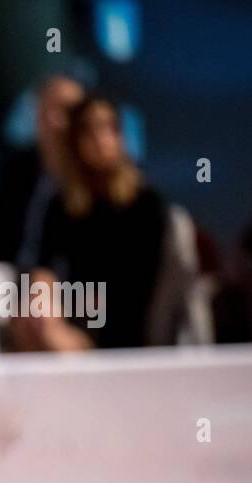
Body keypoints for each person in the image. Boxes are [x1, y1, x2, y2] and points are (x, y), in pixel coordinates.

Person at [36, 94, 182, 349]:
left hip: (135, 331)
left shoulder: (145, 204)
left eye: (107, 128)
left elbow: (145, 290)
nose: (99, 140)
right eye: (89, 131)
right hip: (78, 326)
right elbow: (44, 265)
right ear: (75, 141)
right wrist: (48, 312)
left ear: (120, 136)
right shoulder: (62, 203)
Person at [0, 74, 83, 270]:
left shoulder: (88, 180)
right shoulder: (16, 169)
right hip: (8, 279)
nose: (54, 119)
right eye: (47, 107)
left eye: (64, 110)